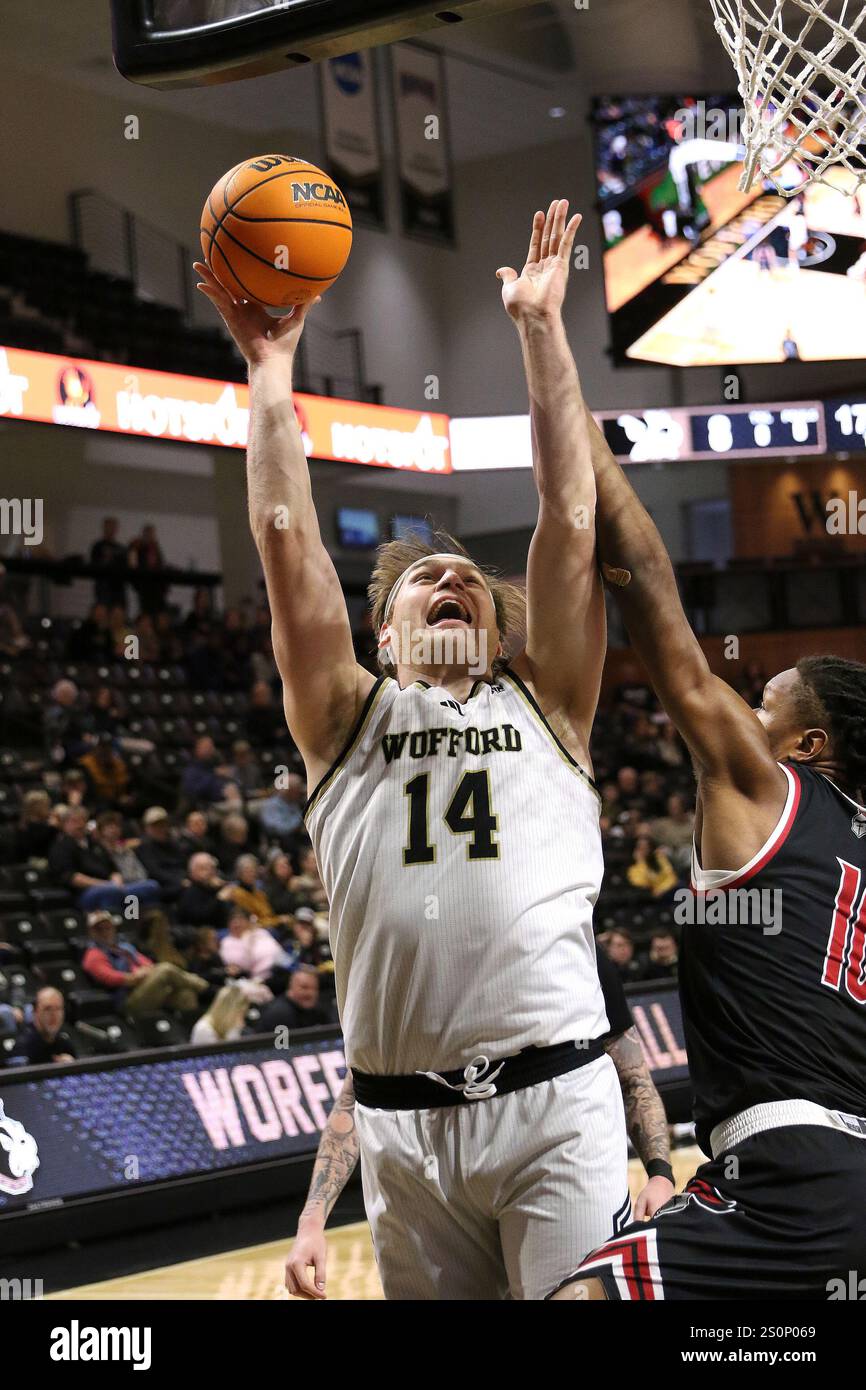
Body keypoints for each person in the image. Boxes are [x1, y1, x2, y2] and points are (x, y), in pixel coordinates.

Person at [195, 197, 628, 1301]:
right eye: (424, 582)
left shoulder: (551, 704)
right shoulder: (343, 718)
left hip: (555, 1101)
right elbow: (284, 543)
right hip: (401, 1124)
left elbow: (570, 516)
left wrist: (536, 328)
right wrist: (269, 371)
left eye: (470, 582)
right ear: (379, 638)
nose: (453, 581)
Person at [550, 338, 866, 1300]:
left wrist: (580, 432)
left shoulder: (771, 791)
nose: (743, 707)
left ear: (806, 748)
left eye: (764, 702)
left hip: (793, 1175)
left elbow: (662, 620)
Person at [286, 948, 672, 1298]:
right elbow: (355, 1097)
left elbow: (632, 1072)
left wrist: (659, 1171)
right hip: (423, 1165)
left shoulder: (569, 947)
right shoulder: (407, 971)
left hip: (549, 1138)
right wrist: (312, 1220)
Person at [81, 910, 207, 1019]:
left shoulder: (125, 947)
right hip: (126, 1000)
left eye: (108, 927)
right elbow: (111, 978)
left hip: (145, 989)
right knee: (165, 969)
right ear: (91, 932)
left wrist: (142, 974)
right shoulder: (93, 955)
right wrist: (134, 976)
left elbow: (149, 965)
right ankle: (205, 987)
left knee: (185, 995)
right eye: (99, 929)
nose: (105, 931)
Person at [48, 805, 160, 913]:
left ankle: (136, 921)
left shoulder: (94, 844)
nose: (79, 825)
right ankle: (117, 926)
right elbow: (71, 877)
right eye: (74, 821)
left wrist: (116, 879)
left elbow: (112, 868)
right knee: (111, 891)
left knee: (150, 886)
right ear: (64, 824)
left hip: (111, 886)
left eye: (82, 820)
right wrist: (104, 884)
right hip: (83, 893)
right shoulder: (61, 847)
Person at [218, 907, 292, 987]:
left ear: (247, 922)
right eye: (233, 921)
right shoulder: (227, 942)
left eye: (240, 920)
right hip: (258, 979)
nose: (237, 924)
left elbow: (277, 948)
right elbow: (242, 966)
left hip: (282, 967)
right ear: (228, 924)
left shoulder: (261, 932)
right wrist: (248, 940)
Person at [257, 966, 334, 1033]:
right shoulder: (279, 1014)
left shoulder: (318, 1011)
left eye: (315, 989)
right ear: (291, 987)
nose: (310, 993)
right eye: (304, 987)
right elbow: (282, 1047)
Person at [11, 988, 76, 1065]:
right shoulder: (23, 1046)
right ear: (35, 1012)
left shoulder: (63, 1042)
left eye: (58, 1009)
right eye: (48, 1009)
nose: (54, 1014)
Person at [136, 806, 188, 898]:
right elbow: (155, 872)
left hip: (181, 880)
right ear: (147, 828)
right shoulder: (144, 847)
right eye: (155, 826)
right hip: (161, 885)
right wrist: (180, 881)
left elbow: (183, 864)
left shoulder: (173, 843)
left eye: (162, 825)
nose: (160, 829)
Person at [175, 852, 232, 928]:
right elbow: (200, 918)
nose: (210, 871)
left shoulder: (215, 887)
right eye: (203, 868)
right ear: (193, 872)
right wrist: (219, 899)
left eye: (212, 868)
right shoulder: (189, 891)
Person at [626, 834, 678, 900]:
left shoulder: (659, 858)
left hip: (666, 892)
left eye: (645, 848)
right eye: (640, 848)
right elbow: (641, 883)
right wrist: (640, 862)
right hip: (645, 897)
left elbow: (672, 877)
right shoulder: (632, 865)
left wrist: (661, 889)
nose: (643, 850)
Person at [89, 517, 127, 609]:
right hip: (103, 586)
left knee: (118, 612)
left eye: (113, 527)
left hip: (119, 587)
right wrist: (105, 559)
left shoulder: (121, 548)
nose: (111, 529)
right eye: (109, 527)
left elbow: (126, 566)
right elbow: (93, 565)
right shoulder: (98, 546)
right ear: (104, 528)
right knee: (102, 611)